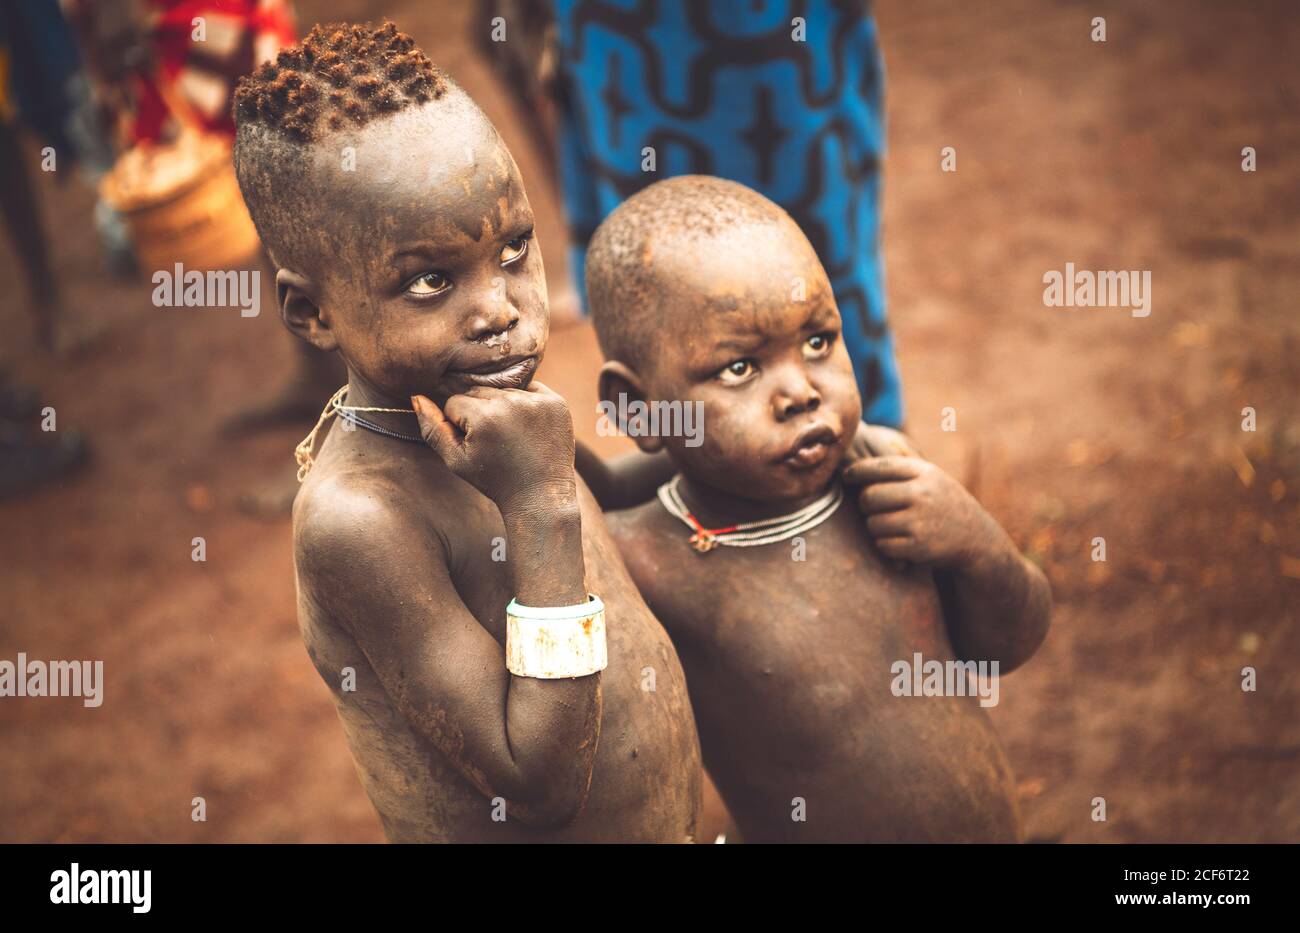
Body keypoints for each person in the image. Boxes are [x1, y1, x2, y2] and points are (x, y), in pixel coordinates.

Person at [231, 22, 702, 841]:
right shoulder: (361, 520)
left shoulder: (482, 396)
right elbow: (539, 782)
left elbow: (615, 499)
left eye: (514, 248)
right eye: (429, 280)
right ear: (312, 312)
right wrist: (544, 501)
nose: (498, 310)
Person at [587, 176, 1051, 841]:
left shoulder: (881, 470)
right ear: (639, 409)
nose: (802, 391)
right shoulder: (644, 558)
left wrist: (978, 544)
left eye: (817, 340)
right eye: (741, 368)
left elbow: (1008, 644)